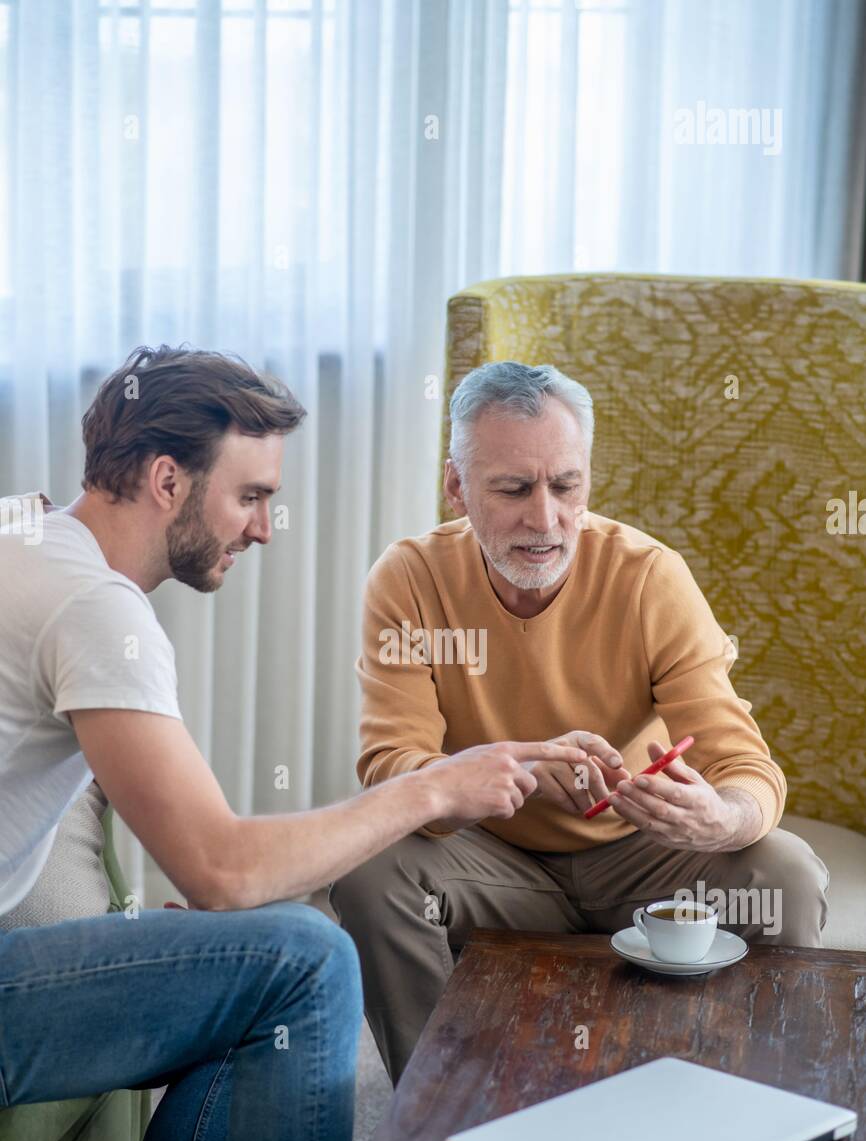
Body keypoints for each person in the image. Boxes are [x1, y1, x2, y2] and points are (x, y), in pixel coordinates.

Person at [0, 346, 584, 1141]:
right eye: (251, 496)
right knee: (309, 959)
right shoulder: (93, 611)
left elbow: (210, 876)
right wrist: (435, 788)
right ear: (164, 480)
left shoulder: (25, 537)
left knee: (263, 960)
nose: (268, 528)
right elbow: (219, 871)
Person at [330, 361, 830, 1085]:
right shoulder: (409, 578)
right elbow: (390, 770)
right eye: (512, 489)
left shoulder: (648, 576)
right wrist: (519, 774)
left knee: (784, 874)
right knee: (369, 870)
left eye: (566, 485)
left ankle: (761, 1098)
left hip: (643, 859)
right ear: (456, 486)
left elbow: (748, 768)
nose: (544, 519)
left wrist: (720, 818)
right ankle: (438, 1105)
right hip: (490, 862)